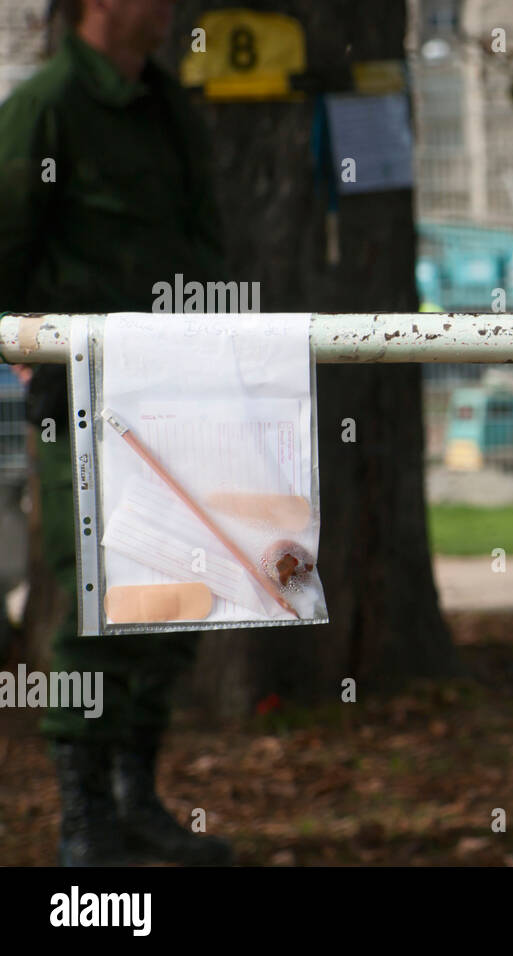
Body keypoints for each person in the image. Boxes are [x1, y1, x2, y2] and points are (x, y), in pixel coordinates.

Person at [0, 0, 231, 865]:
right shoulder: (47, 107)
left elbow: (204, 246)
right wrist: (25, 341)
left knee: (175, 601)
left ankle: (137, 797)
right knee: (98, 607)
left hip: (187, 393)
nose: (167, 7)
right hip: (89, 398)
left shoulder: (170, 104)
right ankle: (83, 817)